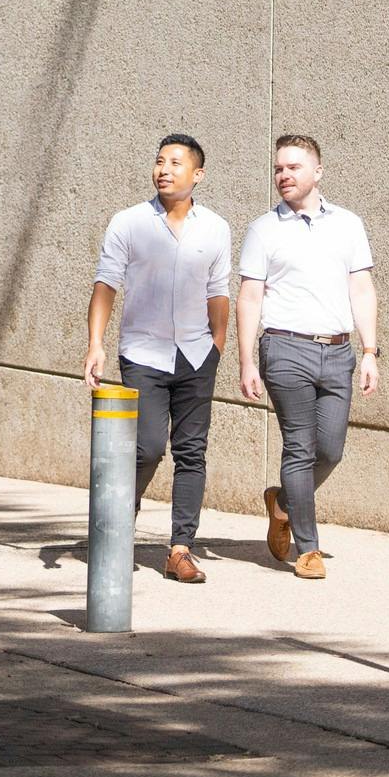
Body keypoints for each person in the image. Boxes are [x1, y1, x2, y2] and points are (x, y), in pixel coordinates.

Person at [82, 134, 233, 584]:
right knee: (146, 447)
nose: (164, 169)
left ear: (197, 174)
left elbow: (218, 292)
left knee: (192, 452)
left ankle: (180, 548)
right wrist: (96, 343)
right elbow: (105, 285)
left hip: (195, 353)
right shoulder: (128, 223)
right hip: (143, 353)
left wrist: (216, 348)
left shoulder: (216, 228)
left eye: (175, 163)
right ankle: (116, 522)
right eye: (159, 161)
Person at [236, 134, 380, 582]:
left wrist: (371, 350)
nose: (283, 175)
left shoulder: (348, 224)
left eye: (293, 167)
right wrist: (246, 361)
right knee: (299, 446)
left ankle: (281, 503)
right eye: (278, 168)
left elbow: (361, 289)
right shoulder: (264, 228)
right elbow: (249, 296)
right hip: (285, 348)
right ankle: (308, 547)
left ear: (317, 172)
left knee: (330, 450)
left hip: (339, 351)